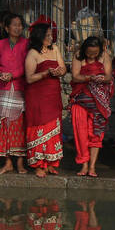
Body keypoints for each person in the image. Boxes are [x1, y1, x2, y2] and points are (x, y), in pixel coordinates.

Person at [23, 20, 66, 177]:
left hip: (53, 95)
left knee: (53, 126)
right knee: (40, 126)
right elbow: (29, 78)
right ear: (39, 36)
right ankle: (38, 164)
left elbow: (63, 68)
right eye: (47, 35)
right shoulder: (32, 54)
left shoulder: (54, 49)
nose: (50, 37)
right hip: (38, 96)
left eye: (51, 34)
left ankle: (50, 162)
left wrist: (59, 71)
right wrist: (46, 73)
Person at [69, 35, 114, 178]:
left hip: (99, 104)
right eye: (89, 53)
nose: (92, 56)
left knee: (96, 135)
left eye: (95, 54)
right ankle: (84, 164)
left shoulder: (105, 56)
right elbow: (75, 76)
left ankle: (92, 166)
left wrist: (101, 78)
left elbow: (108, 76)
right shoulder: (78, 56)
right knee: (81, 134)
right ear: (84, 50)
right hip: (80, 101)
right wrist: (89, 77)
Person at [0, 13, 28, 173]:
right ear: (6, 28)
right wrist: (0, 74)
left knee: (18, 124)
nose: (18, 28)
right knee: (3, 123)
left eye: (20, 25)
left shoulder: (27, 44)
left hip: (18, 87)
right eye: (14, 25)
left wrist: (13, 75)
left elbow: (27, 65)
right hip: (2, 88)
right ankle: (7, 162)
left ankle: (19, 162)